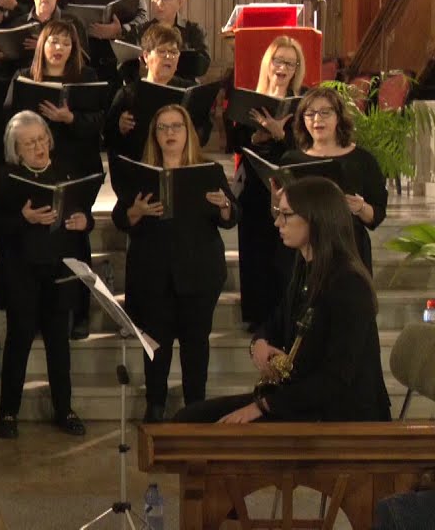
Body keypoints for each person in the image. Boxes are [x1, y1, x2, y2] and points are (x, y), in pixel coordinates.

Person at [174, 177, 390, 423]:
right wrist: (260, 344)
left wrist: (263, 406)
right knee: (189, 418)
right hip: (301, 399)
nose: (277, 222)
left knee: (197, 425)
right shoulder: (305, 268)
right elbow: (275, 322)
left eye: (286, 214)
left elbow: (336, 379)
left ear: (315, 218)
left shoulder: (349, 284)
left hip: (339, 414)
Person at [112, 104, 238, 423]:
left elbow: (231, 217)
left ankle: (196, 406)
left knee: (196, 344)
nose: (170, 133)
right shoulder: (140, 172)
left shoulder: (208, 170)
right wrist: (136, 211)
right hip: (152, 274)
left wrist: (224, 206)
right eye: (163, 128)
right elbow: (120, 217)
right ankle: (156, 404)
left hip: (199, 272)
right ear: (154, 136)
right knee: (156, 344)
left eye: (176, 127)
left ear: (187, 133)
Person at [0, 110, 93, 438]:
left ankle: (64, 408)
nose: (39, 147)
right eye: (29, 143)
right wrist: (24, 220)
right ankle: (8, 413)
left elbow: (82, 215)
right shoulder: (6, 178)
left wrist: (83, 223)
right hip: (21, 271)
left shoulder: (66, 172)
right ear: (16, 150)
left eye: (42, 139)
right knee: (18, 342)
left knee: (59, 344)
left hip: (59, 269)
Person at [6, 19, 105, 338]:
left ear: (74, 48)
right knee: (41, 237)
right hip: (36, 171)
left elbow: (101, 122)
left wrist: (70, 118)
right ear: (41, 46)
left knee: (75, 234)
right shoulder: (23, 77)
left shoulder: (86, 77)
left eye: (65, 42)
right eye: (53, 42)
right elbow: (9, 121)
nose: (59, 48)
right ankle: (41, 311)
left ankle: (79, 312)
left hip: (77, 169)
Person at [226, 36, 305, 330]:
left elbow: (305, 148)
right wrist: (256, 137)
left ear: (296, 69)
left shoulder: (302, 103)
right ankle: (257, 316)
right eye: (278, 60)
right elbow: (233, 144)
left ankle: (283, 315)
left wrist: (280, 135)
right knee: (254, 251)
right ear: (268, 64)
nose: (282, 67)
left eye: (289, 62)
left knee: (283, 254)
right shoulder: (251, 100)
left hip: (287, 187)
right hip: (253, 187)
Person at [0, 0, 89, 168]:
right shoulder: (15, 23)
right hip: (28, 100)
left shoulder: (73, 22)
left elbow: (83, 60)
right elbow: (6, 73)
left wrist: (45, 48)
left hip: (65, 100)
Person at [281, 87, 387, 272]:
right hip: (302, 254)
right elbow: (280, 217)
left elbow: (376, 215)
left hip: (349, 251)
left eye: (325, 112)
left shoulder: (362, 160)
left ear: (339, 117)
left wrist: (360, 207)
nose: (317, 119)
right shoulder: (291, 161)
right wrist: (278, 201)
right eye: (310, 113)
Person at [104, 24, 204, 166]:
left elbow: (203, 135)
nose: (168, 56)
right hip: (140, 170)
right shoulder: (128, 94)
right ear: (145, 56)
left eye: (173, 52)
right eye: (162, 51)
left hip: (180, 168)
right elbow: (108, 139)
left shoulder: (189, 91)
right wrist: (119, 127)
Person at [124, 0, 209, 82]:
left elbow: (202, 66)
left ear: (180, 2)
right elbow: (124, 68)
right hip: (148, 90)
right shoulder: (140, 31)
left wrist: (160, 60)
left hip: (183, 89)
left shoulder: (194, 31)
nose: (160, 4)